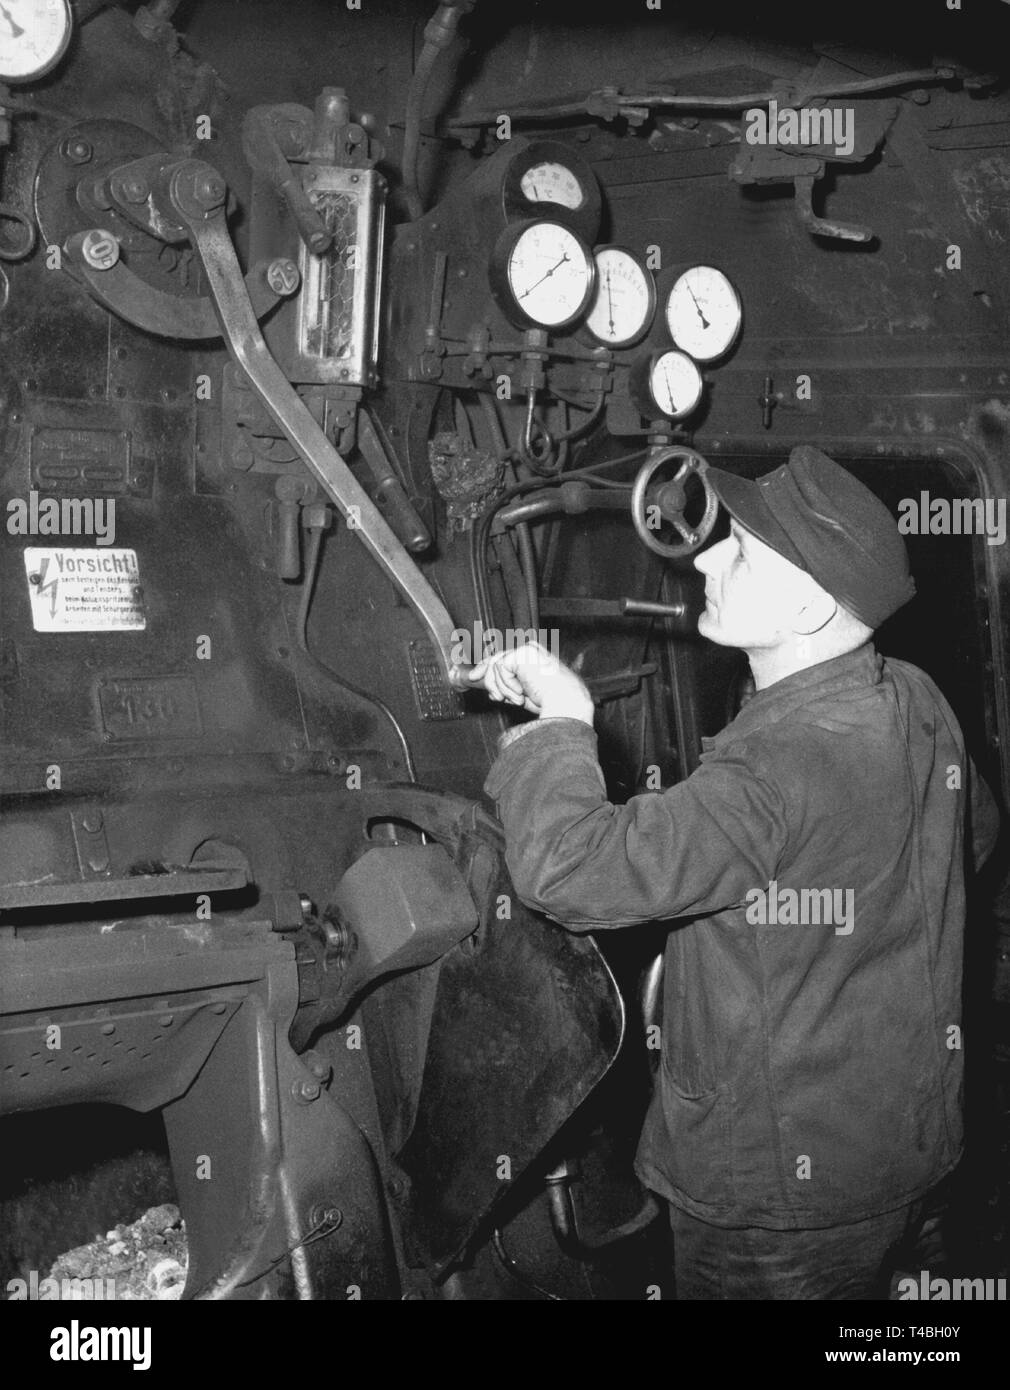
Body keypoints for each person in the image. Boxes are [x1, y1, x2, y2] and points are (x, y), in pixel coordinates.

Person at [467, 445, 1001, 1300]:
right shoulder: (915, 698)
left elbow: (568, 870)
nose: (708, 555)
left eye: (741, 548)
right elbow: (970, 839)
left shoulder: (771, 773)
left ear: (803, 602)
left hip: (774, 1207)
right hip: (907, 1148)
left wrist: (562, 727)